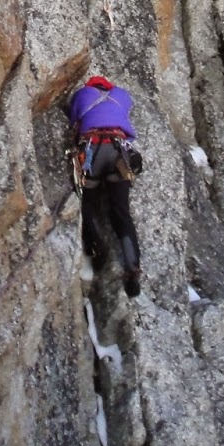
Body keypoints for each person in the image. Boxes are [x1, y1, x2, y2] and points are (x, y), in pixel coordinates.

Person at [69, 74, 143, 297]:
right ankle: (132, 267)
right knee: (121, 212)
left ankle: (96, 248)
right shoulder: (121, 95)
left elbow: (74, 120)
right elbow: (125, 111)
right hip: (118, 152)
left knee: (88, 203)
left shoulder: (81, 95)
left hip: (92, 151)